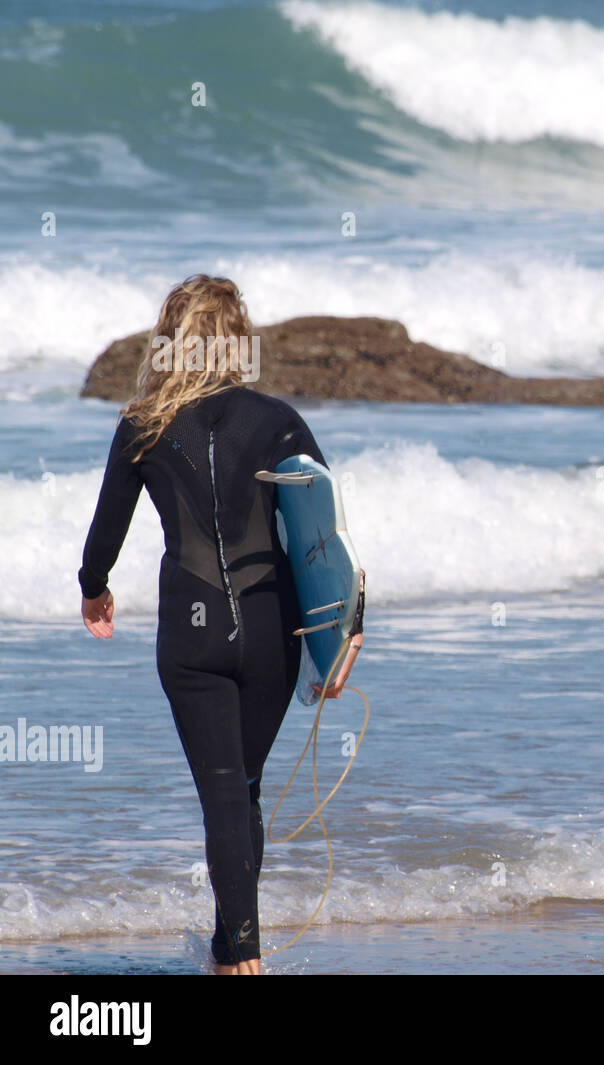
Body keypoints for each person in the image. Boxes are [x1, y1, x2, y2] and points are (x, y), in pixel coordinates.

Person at [78, 275, 358, 974]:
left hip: (194, 637)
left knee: (226, 790)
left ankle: (244, 958)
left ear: (170, 338)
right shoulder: (279, 419)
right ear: (239, 339)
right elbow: (330, 537)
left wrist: (94, 590)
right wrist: (345, 633)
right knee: (243, 789)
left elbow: (102, 537)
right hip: (273, 633)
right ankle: (227, 949)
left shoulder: (141, 425)